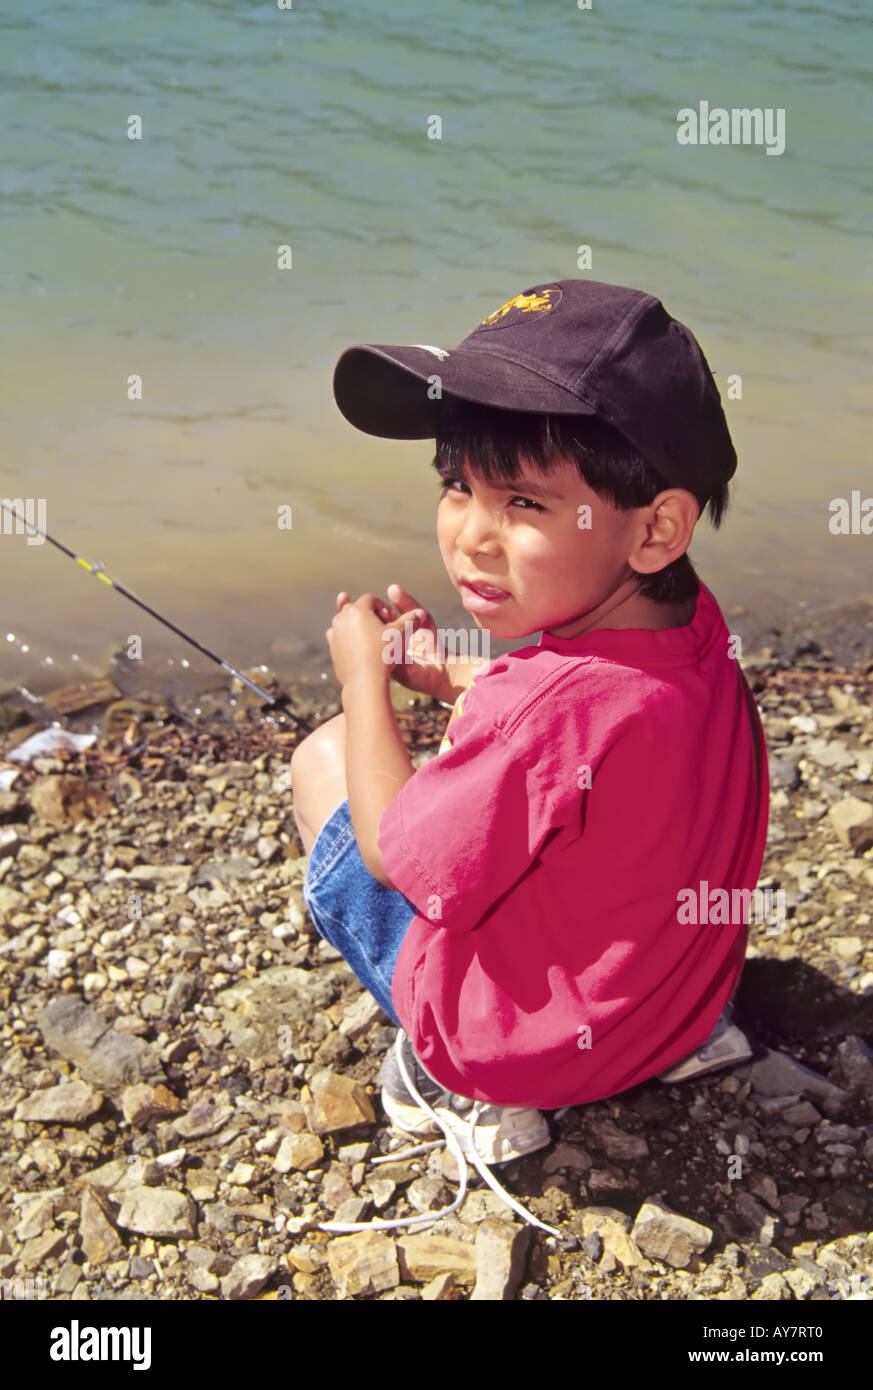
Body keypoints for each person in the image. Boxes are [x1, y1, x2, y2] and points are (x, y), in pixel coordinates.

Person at [290, 279, 769, 1171]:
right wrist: (456, 677)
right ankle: (691, 1041)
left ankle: (452, 1081)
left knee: (323, 762)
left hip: (531, 1049)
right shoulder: (693, 630)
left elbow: (399, 856)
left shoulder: (537, 709)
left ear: (657, 528)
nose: (471, 534)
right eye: (456, 486)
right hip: (675, 1006)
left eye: (523, 505)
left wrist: (366, 687)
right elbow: (595, 730)